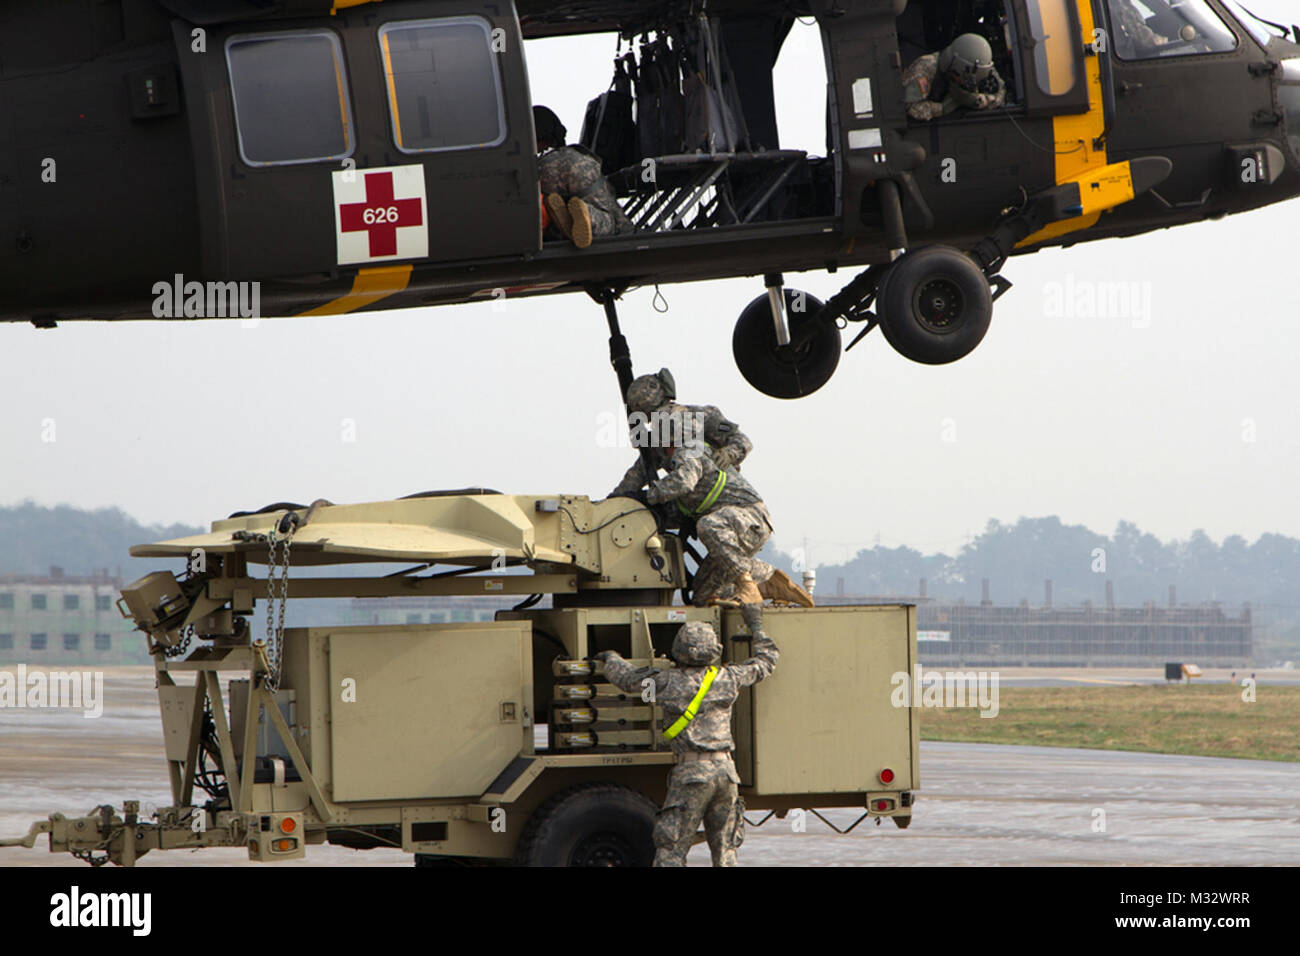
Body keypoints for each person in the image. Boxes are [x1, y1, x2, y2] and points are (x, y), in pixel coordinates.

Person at [596, 603, 777, 866]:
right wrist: (756, 625)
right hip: (727, 774)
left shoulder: (666, 682)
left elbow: (627, 680)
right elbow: (765, 662)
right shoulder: (728, 678)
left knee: (671, 851)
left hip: (692, 774)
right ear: (714, 650)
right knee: (726, 854)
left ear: (679, 650)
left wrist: (611, 657)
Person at [616, 412, 812, 608]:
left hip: (750, 518)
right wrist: (614, 504)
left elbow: (684, 482)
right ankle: (767, 580)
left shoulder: (689, 451)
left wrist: (650, 495)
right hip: (731, 528)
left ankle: (747, 585)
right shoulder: (664, 455)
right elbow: (627, 487)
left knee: (708, 525)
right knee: (703, 597)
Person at [534, 105, 633, 248]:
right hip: (577, 166)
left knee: (552, 221)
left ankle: (565, 224)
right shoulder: (574, 157)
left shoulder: (536, 158)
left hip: (542, 171)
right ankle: (587, 213)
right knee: (615, 224)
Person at [902, 32, 1006, 122]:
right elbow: (910, 106)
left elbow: (1001, 90)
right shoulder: (925, 68)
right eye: (961, 79)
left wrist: (979, 101)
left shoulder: (980, 67)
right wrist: (942, 108)